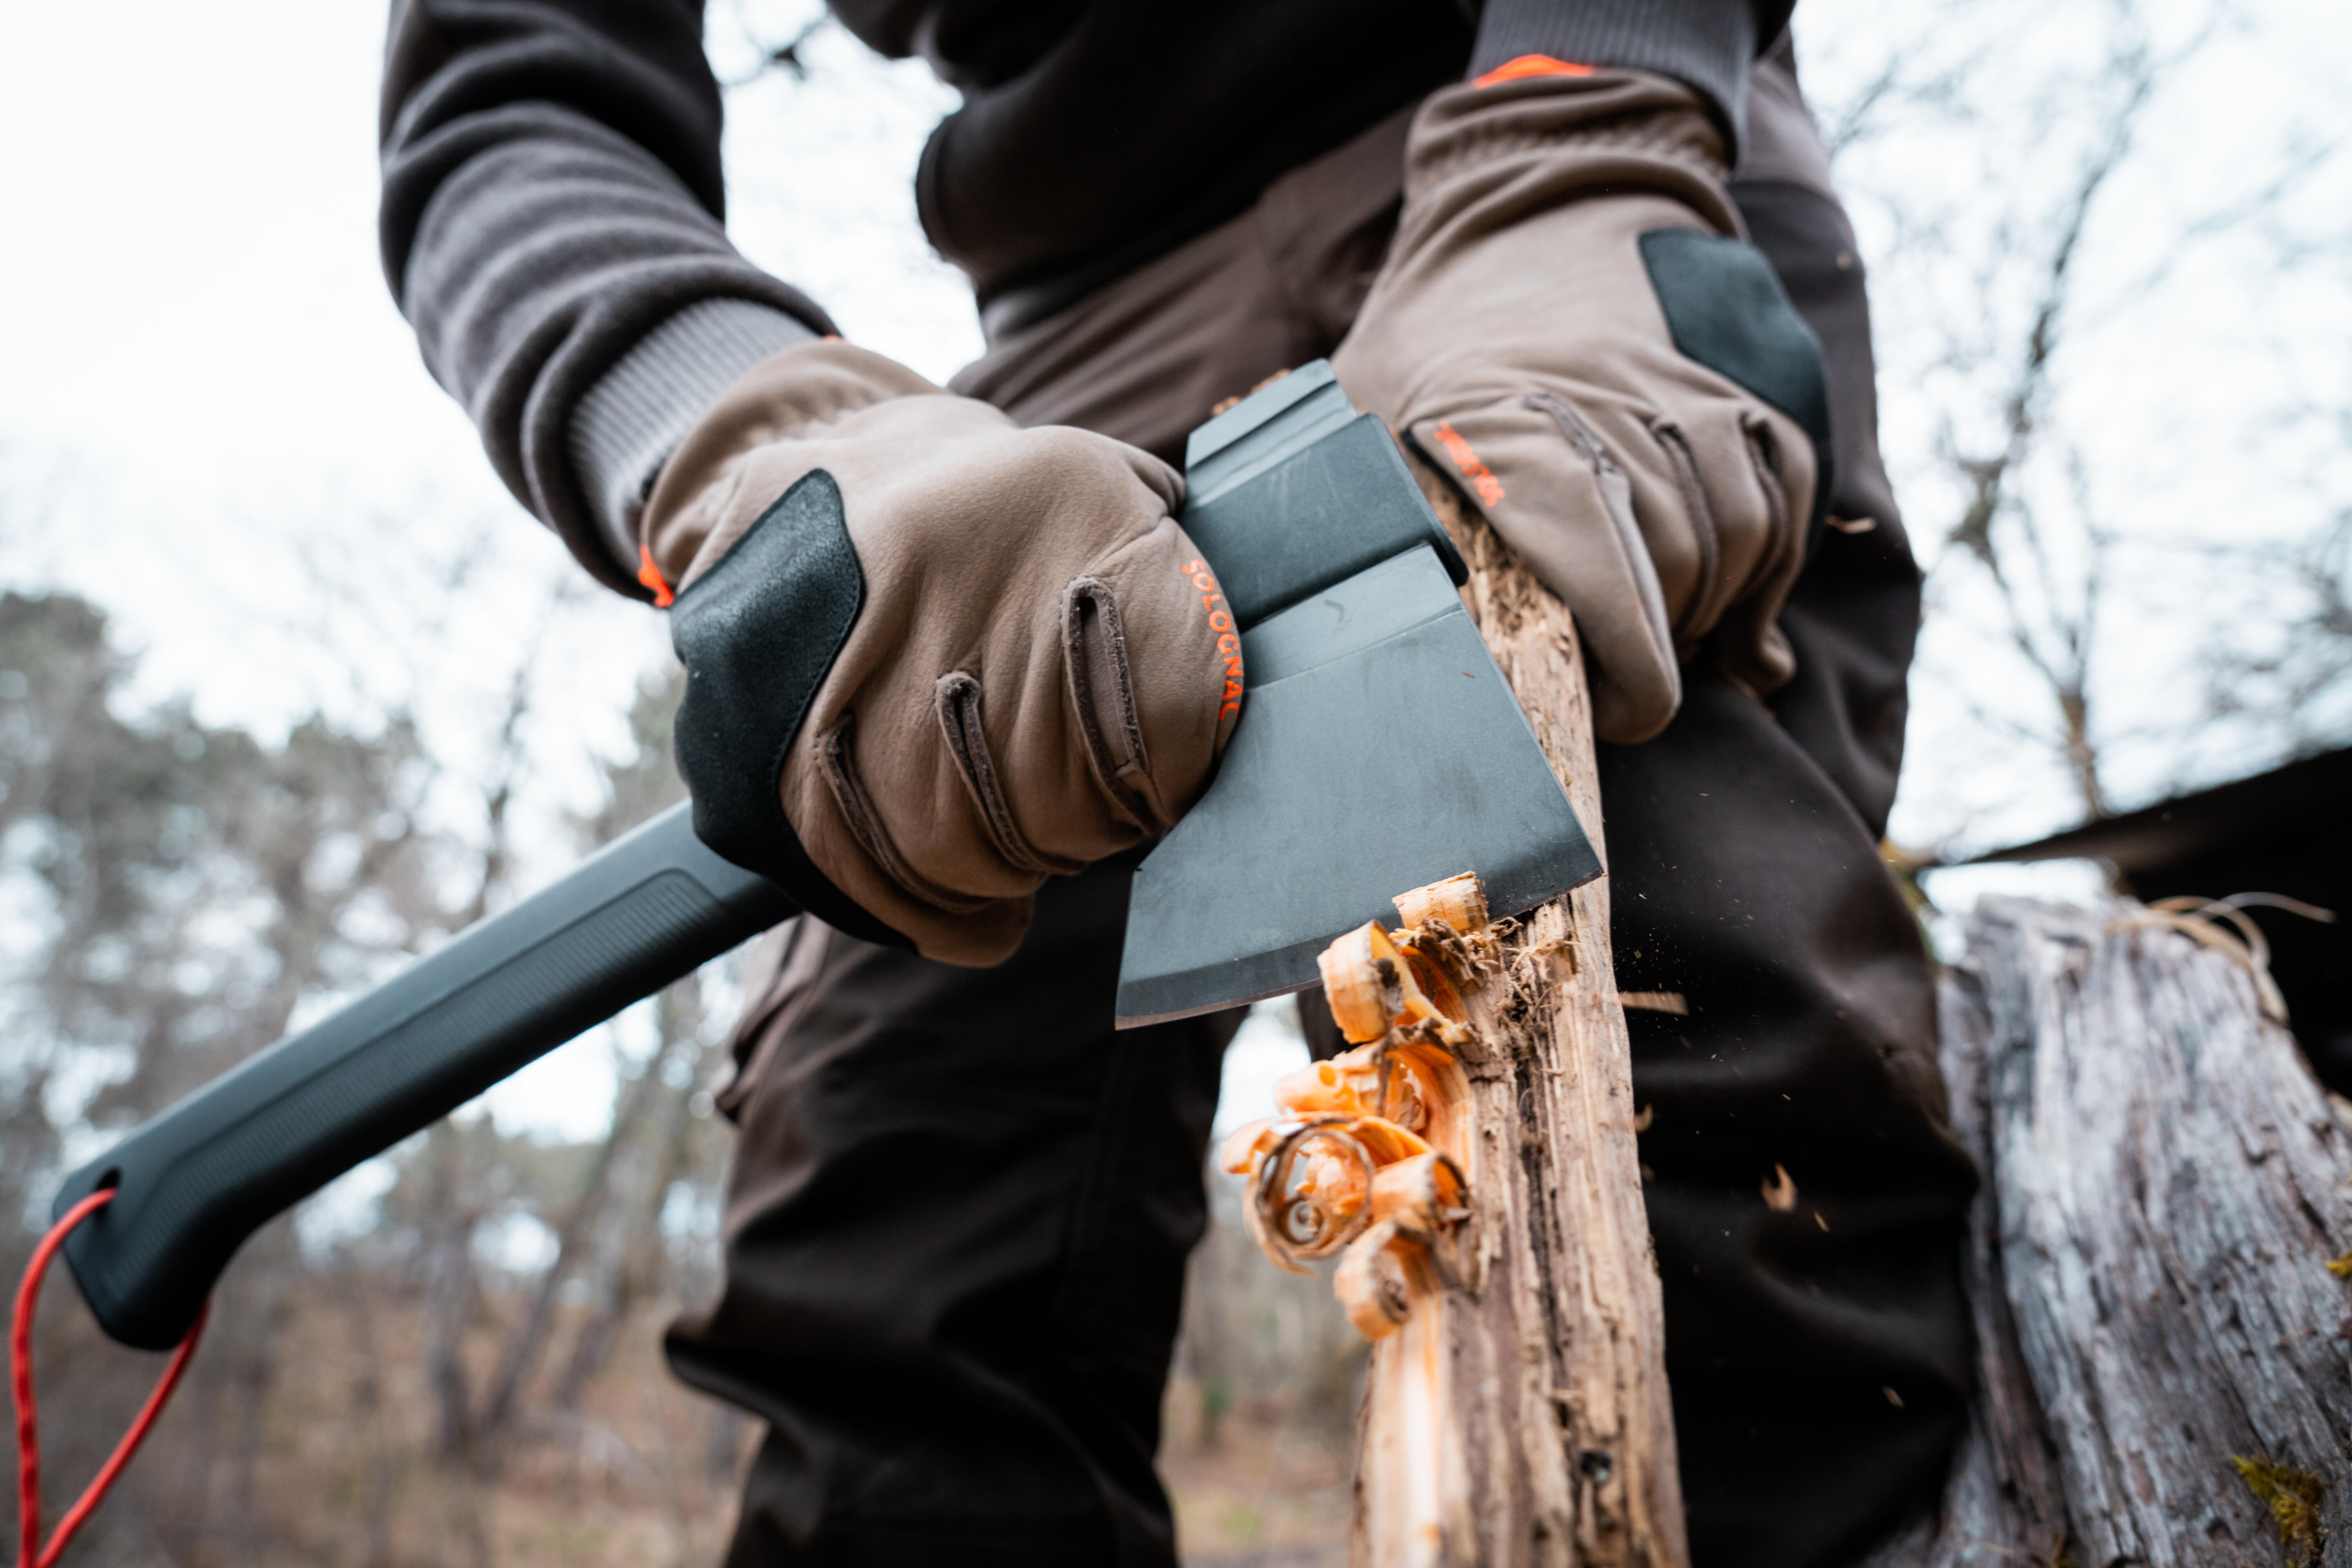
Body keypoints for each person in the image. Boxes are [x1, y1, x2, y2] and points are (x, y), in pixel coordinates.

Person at [379, 4, 1979, 1564]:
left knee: (1682, 1024)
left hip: (1531, 121)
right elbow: (515, 94)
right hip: (1075, 313)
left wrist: (1592, 108)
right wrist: (748, 442)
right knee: (895, 1194)